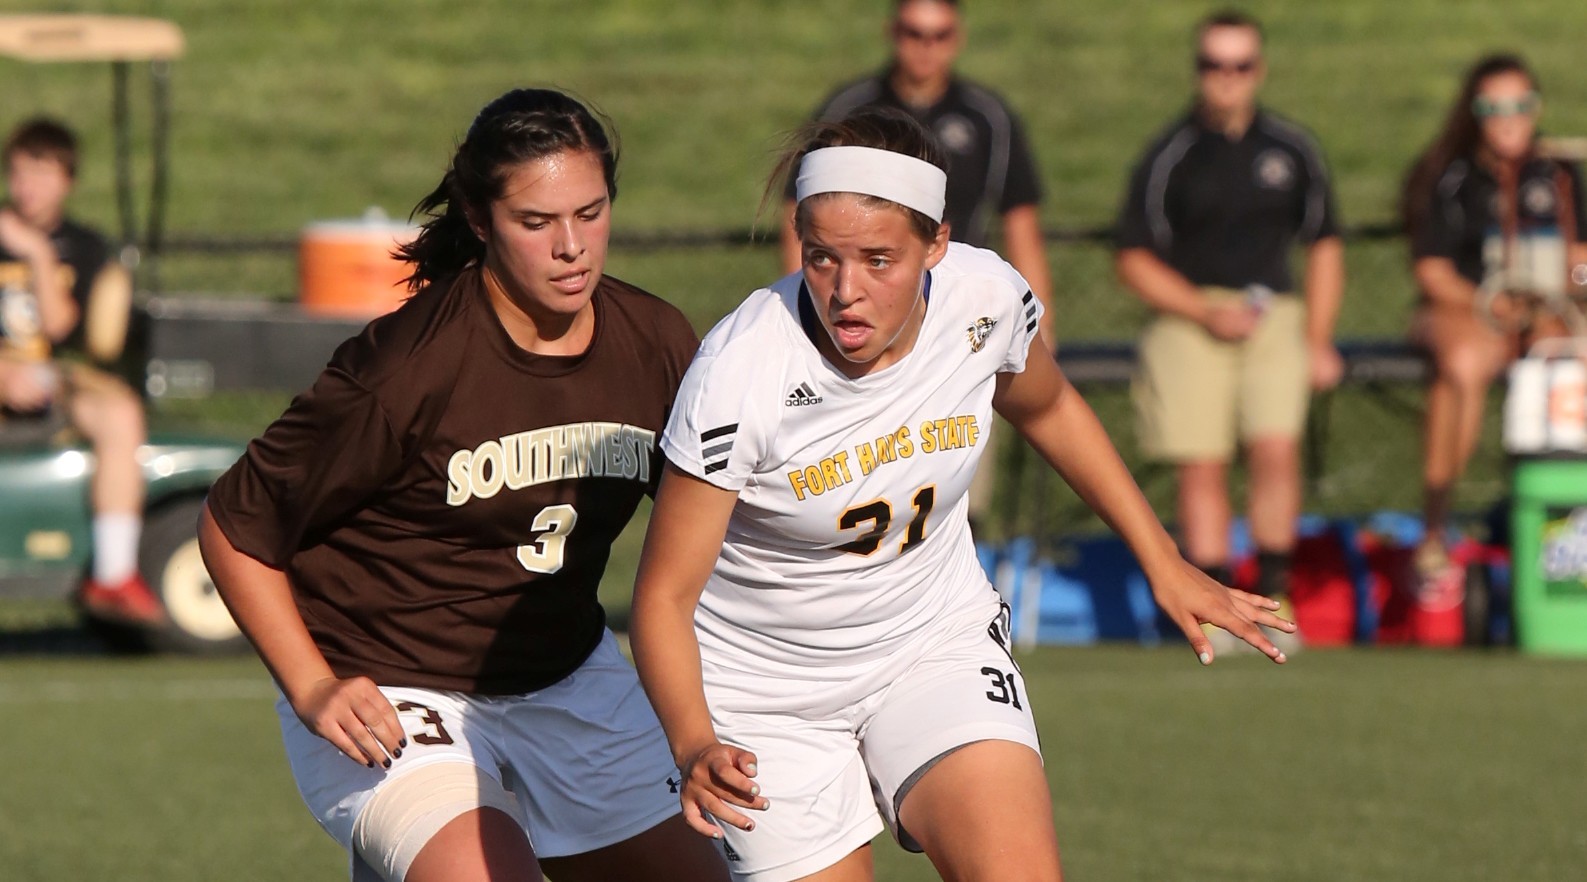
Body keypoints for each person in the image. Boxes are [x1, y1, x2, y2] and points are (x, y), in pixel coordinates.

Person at [630, 108, 1292, 882]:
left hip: (929, 647)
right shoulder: (740, 372)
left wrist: (1162, 558)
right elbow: (664, 598)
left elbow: (1046, 407)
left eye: (879, 259)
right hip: (766, 696)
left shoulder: (982, 298)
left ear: (936, 244)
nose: (846, 290)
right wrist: (693, 743)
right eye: (821, 258)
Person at [197, 89, 729, 882]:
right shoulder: (407, 368)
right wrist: (313, 687)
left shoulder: (653, 340)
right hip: (392, 688)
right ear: (480, 222)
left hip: (566, 675)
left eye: (590, 213)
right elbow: (235, 529)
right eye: (536, 222)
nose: (572, 247)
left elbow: (723, 523)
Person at [1113, 11, 1344, 649]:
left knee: (1275, 449)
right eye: (1214, 66)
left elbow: (1323, 247)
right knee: (1203, 463)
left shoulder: (1292, 149)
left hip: (1274, 313)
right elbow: (1133, 257)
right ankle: (1214, 602)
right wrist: (1200, 310)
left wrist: (1319, 338)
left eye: (1240, 66)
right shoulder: (1170, 155)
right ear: (1198, 72)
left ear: (1258, 71)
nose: (1227, 80)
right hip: (1192, 314)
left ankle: (1273, 596)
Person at [780, 0, 1053, 532]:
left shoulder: (987, 117)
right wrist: (812, 303)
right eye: (913, 32)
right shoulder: (851, 107)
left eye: (939, 34)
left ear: (958, 37)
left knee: (957, 495)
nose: (925, 46)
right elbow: (803, 216)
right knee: (858, 487)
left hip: (957, 324)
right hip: (864, 322)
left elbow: (1021, 224)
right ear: (892, 32)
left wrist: (1040, 327)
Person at [1400, 53, 1587, 596]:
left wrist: (1563, 284)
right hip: (1465, 311)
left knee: (1568, 358)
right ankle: (1436, 530)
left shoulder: (1558, 174)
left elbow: (1579, 257)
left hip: (1545, 313)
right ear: (1475, 112)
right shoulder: (1450, 177)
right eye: (1494, 106)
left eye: (1520, 106)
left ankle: (1560, 511)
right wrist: (1493, 301)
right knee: (1462, 365)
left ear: (1536, 109)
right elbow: (1433, 272)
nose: (1508, 118)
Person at [0, 117, 156, 625]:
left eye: (42, 174)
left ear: (67, 180)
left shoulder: (83, 246)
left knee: (119, 413)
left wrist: (37, 254)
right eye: (19, 173)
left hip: (53, 373)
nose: (28, 187)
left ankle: (113, 574)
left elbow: (62, 329)